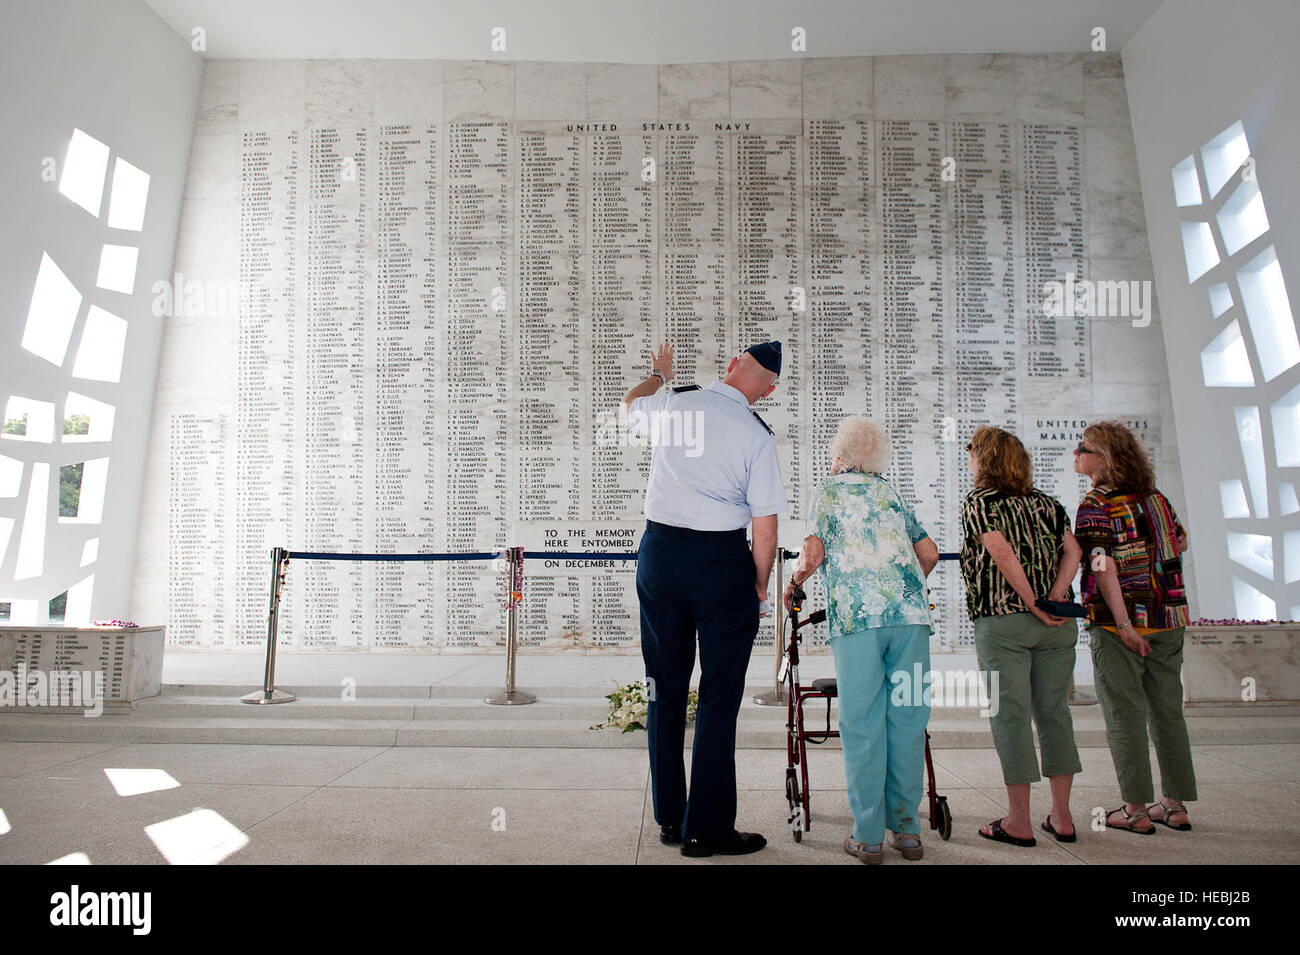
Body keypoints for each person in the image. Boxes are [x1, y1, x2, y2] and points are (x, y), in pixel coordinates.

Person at [623, 339, 788, 857]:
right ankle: (707, 828)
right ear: (769, 391)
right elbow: (765, 530)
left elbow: (628, 407)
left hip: (661, 554)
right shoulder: (756, 435)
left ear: (732, 365)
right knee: (719, 695)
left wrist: (656, 374)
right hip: (721, 565)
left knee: (663, 687)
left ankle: (671, 817)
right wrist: (758, 584)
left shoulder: (676, 402)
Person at [783, 417, 939, 864]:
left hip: (858, 621)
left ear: (839, 455)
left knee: (863, 722)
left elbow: (813, 554)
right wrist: (902, 591)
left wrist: (795, 582)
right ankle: (907, 832)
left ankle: (869, 836)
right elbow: (927, 553)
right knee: (908, 720)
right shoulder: (890, 492)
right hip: (910, 621)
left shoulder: (828, 491)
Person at [960, 425, 1083, 848]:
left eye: (972, 450)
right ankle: (1062, 818)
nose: (969, 456)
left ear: (985, 458)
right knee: (1054, 713)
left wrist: (1031, 601)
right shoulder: (1047, 503)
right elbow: (1075, 551)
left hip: (1003, 621)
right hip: (1058, 624)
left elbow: (1001, 552)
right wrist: (1055, 597)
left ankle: (1018, 822)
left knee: (1010, 716)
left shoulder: (979, 501)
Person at [1073, 421, 1196, 834]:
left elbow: (1101, 566)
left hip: (1119, 625)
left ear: (1103, 458)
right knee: (1167, 713)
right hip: (1169, 618)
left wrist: (1125, 623)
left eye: (1083, 447)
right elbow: (1179, 541)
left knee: (1124, 714)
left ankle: (1136, 810)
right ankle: (1175, 806)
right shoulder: (1156, 498)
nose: (1076, 454)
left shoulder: (1096, 503)